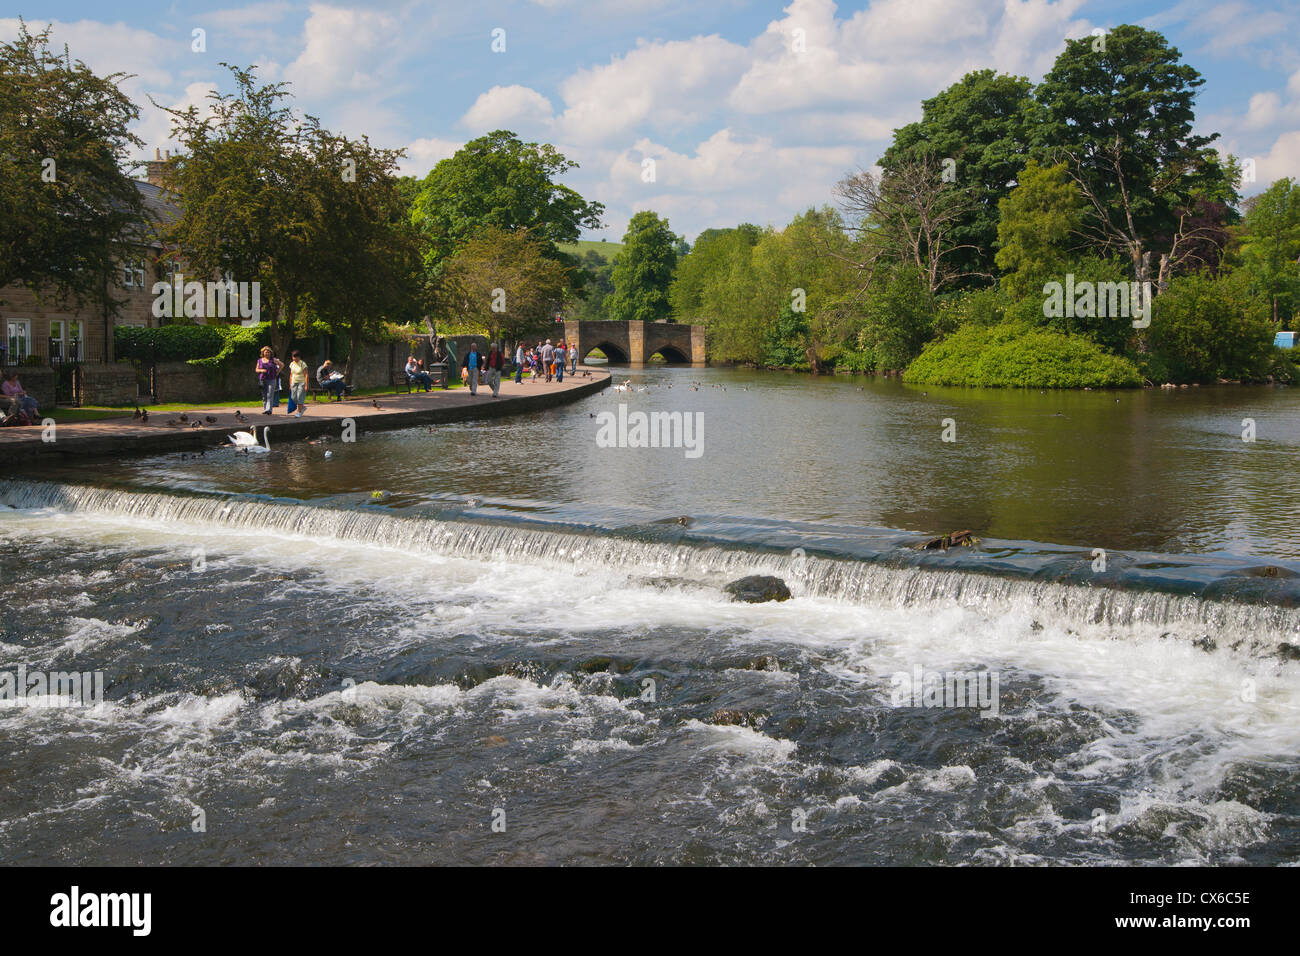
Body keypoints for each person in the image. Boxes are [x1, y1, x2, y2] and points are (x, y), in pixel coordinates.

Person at [255, 347, 283, 415]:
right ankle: (265, 409)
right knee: (264, 395)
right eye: (266, 352)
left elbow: (282, 365)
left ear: (271, 353)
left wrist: (277, 372)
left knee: (270, 394)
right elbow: (256, 369)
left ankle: (269, 410)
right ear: (263, 353)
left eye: (268, 352)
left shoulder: (273, 360)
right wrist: (261, 370)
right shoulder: (260, 360)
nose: (267, 353)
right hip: (263, 379)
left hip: (272, 379)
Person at [286, 350, 309, 417]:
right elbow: (291, 374)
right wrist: (290, 384)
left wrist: (306, 385)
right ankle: (302, 407)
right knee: (293, 397)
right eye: (294, 357)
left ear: (299, 357)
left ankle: (299, 412)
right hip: (294, 382)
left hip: (301, 382)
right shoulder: (292, 364)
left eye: (296, 357)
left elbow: (306, 375)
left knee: (300, 397)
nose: (295, 358)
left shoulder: (302, 364)